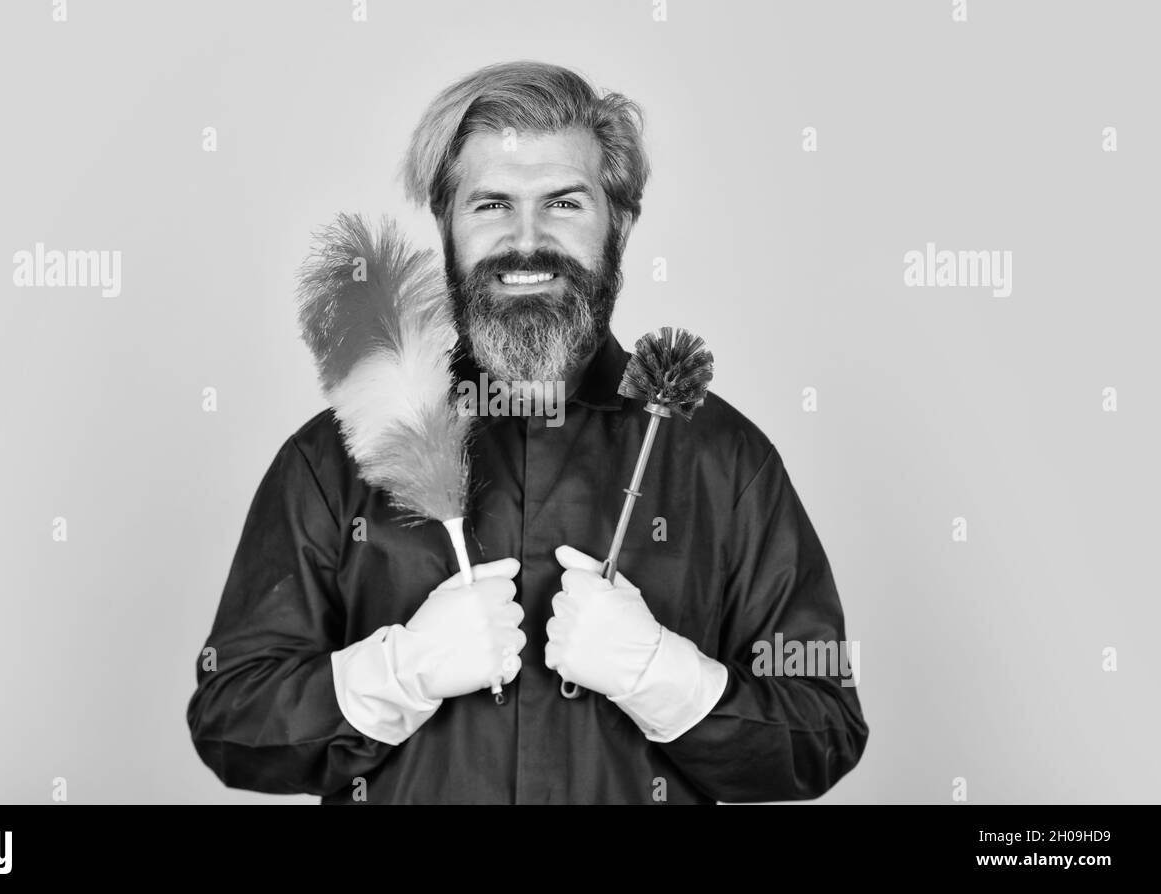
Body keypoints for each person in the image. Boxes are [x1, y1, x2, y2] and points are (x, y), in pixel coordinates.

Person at [186, 60, 869, 804]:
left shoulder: (722, 459)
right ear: (446, 225)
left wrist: (663, 676)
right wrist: (399, 673)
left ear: (621, 222)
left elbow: (823, 728)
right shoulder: (334, 459)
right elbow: (231, 720)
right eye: (491, 205)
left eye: (564, 203)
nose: (526, 240)